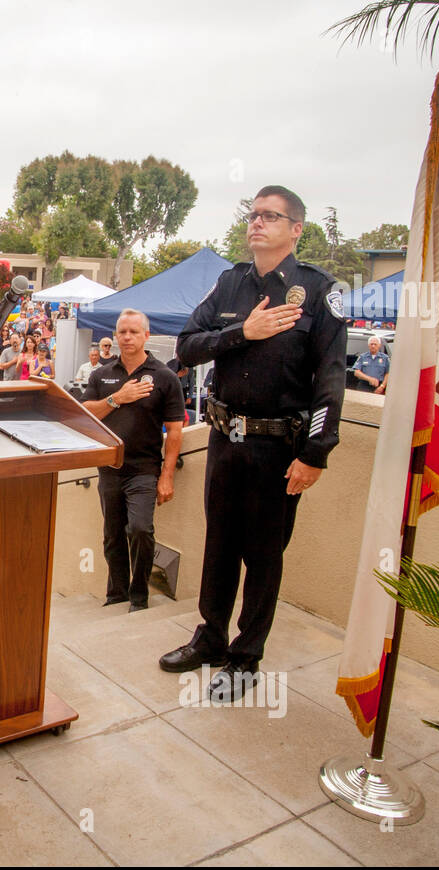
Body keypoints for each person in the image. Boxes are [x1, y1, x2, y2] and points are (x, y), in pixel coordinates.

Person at [166, 184, 346, 701]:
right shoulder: (228, 283)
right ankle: (210, 636)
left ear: (296, 229)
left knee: (264, 556)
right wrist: (244, 331)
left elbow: (331, 381)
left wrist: (316, 453)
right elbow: (187, 347)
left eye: (270, 216)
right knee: (219, 544)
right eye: (253, 215)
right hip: (225, 440)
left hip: (277, 450)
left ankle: (246, 657)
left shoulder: (318, 291)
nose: (257, 223)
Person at [81, 310, 184, 613]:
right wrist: (118, 398)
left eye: (133, 332)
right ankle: (116, 594)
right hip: (109, 468)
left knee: (139, 528)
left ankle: (139, 597)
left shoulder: (164, 376)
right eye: (122, 332)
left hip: (144, 470)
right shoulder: (102, 374)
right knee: (112, 535)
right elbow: (85, 413)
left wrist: (167, 476)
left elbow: (176, 431)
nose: (126, 337)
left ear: (146, 336)